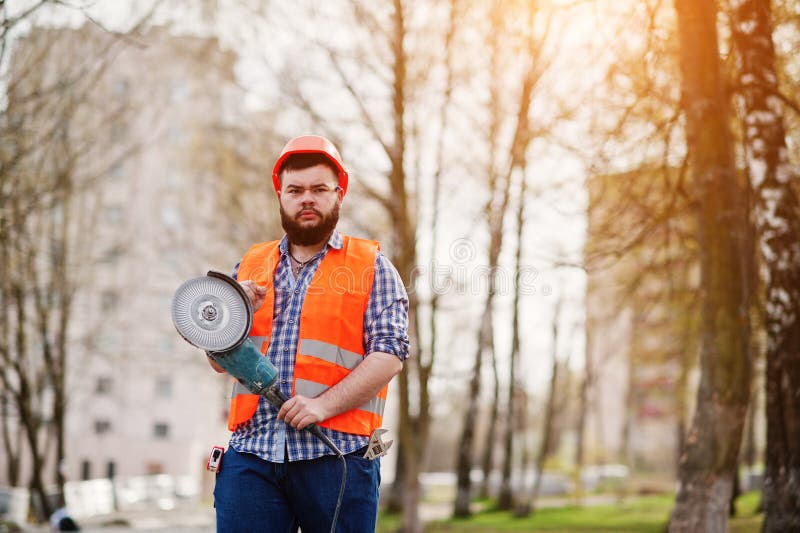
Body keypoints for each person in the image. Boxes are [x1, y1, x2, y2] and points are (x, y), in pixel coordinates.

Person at [210, 135, 409, 533]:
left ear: (339, 193)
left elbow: (389, 355)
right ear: (280, 195)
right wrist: (236, 313)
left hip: (338, 458)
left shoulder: (373, 266)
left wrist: (323, 406)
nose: (307, 199)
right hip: (253, 457)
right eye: (295, 190)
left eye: (319, 189)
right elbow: (218, 360)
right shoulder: (249, 265)